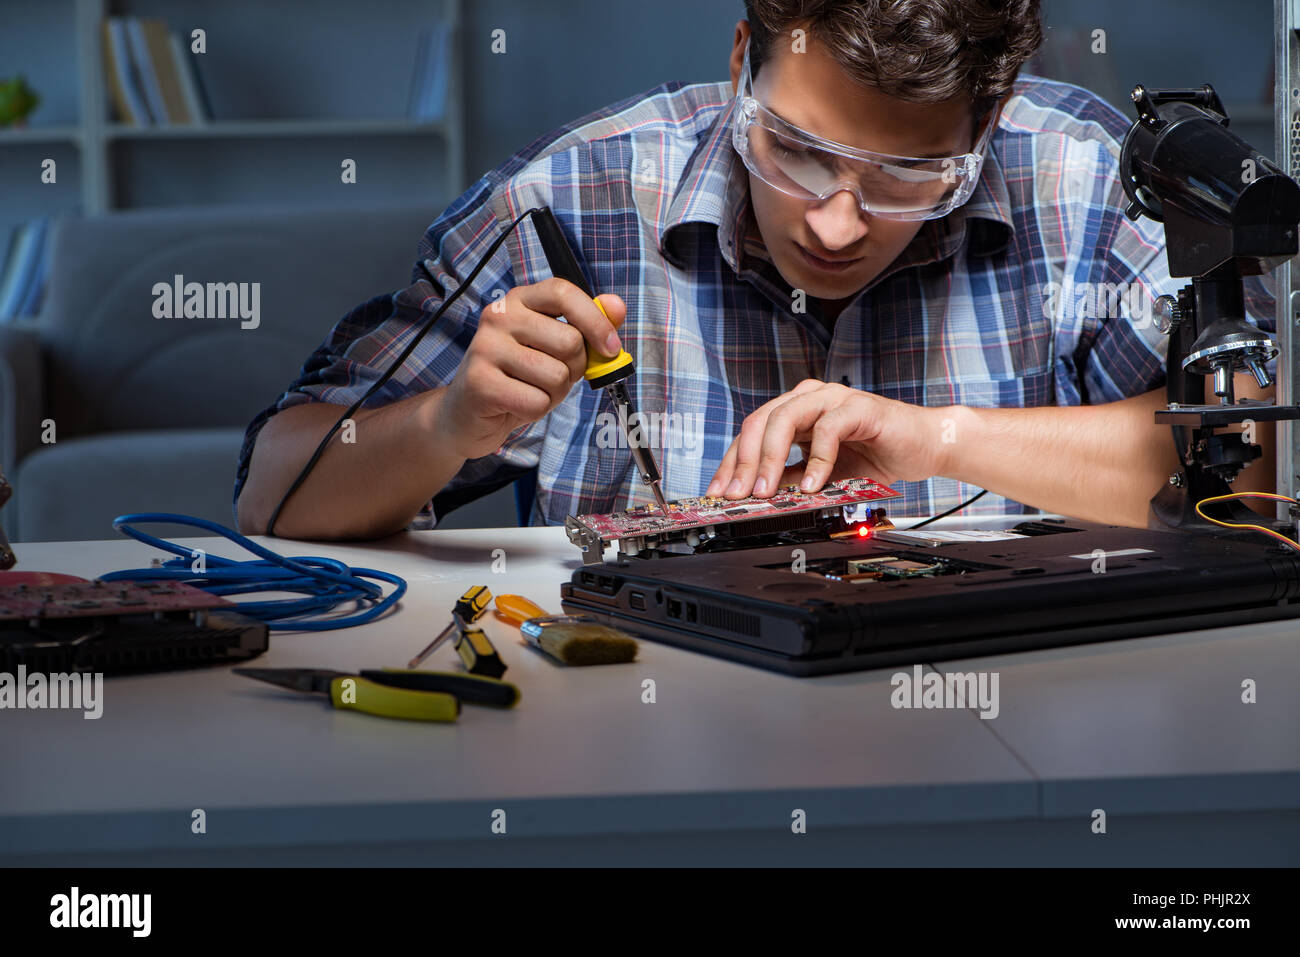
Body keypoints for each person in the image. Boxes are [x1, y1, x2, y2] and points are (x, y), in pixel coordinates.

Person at [234, 0, 1276, 541]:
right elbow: (273, 496)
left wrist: (939, 439)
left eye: (909, 175)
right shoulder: (572, 194)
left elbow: (1253, 477)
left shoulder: (1082, 176)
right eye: (796, 150)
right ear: (741, 66)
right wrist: (447, 424)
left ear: (989, 123)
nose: (834, 224)